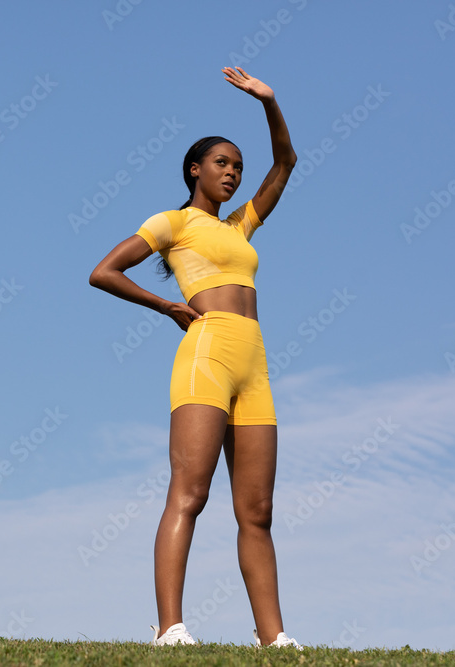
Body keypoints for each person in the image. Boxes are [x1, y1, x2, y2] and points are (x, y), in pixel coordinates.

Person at [88, 67, 301, 650]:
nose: (232, 173)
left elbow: (285, 164)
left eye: (236, 165)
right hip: (205, 353)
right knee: (190, 492)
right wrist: (167, 306)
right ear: (194, 170)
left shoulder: (240, 226)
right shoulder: (173, 223)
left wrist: (270, 102)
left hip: (253, 362)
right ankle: (170, 628)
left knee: (257, 510)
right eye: (222, 164)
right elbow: (103, 271)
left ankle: (274, 638)